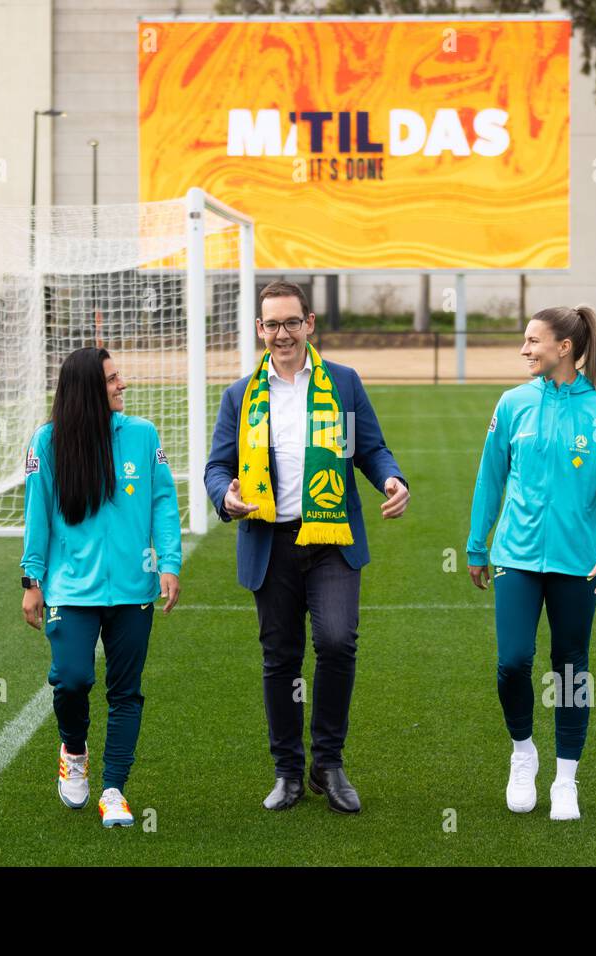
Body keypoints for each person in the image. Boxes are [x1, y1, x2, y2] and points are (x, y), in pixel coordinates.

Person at [204, 280, 410, 814]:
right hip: (270, 542)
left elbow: (371, 449)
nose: (282, 334)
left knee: (338, 642)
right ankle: (288, 771)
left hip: (331, 539)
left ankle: (329, 762)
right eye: (272, 324)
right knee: (281, 658)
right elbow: (217, 466)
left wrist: (391, 479)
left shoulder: (342, 383)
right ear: (260, 329)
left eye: (291, 322)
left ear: (309, 323)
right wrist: (225, 495)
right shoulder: (240, 396)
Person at [466, 305, 596, 822]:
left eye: (533, 341)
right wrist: (476, 544)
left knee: (570, 667)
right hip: (514, 556)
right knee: (513, 661)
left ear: (565, 347)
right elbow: (490, 477)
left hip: (578, 561)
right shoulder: (513, 403)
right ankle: (523, 754)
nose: (524, 349)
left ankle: (565, 779)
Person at [20, 347, 182, 828]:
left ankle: (113, 789)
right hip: (70, 590)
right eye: (112, 379)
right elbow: (36, 513)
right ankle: (73, 751)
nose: (121, 384)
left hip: (133, 589)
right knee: (72, 679)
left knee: (125, 691)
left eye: (118, 377)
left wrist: (169, 562)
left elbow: (163, 500)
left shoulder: (142, 434)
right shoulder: (48, 442)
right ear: (87, 390)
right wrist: (32, 579)